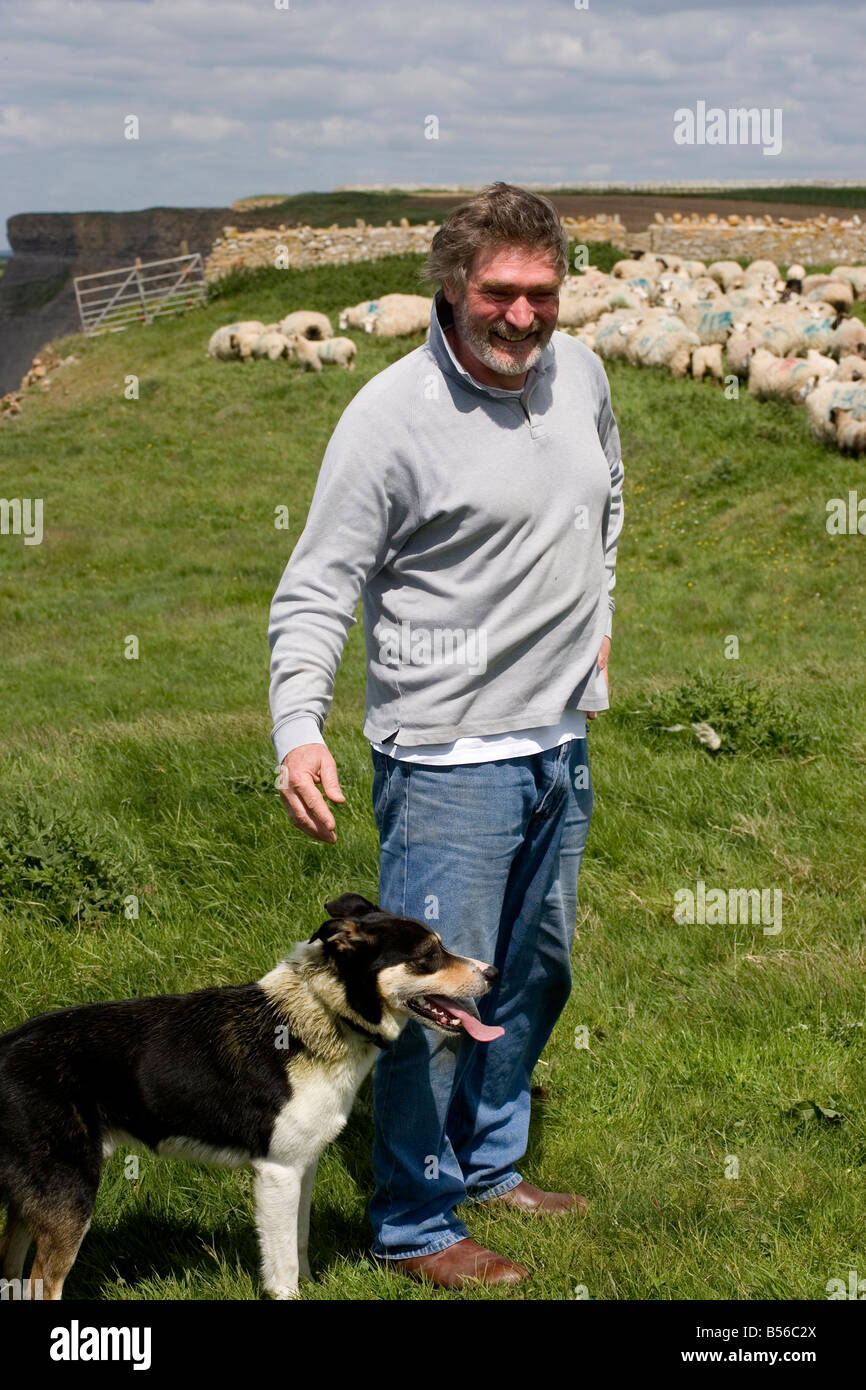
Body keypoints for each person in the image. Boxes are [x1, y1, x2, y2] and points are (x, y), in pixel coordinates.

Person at [268, 182, 624, 1288]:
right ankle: (414, 1220)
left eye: (541, 294)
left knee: (531, 972)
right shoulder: (387, 416)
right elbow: (318, 585)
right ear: (449, 286)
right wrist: (297, 724)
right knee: (428, 999)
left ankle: (488, 1158)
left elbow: (605, 496)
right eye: (499, 293)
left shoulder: (585, 377)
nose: (522, 317)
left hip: (555, 743)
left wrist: (597, 612)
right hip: (445, 761)